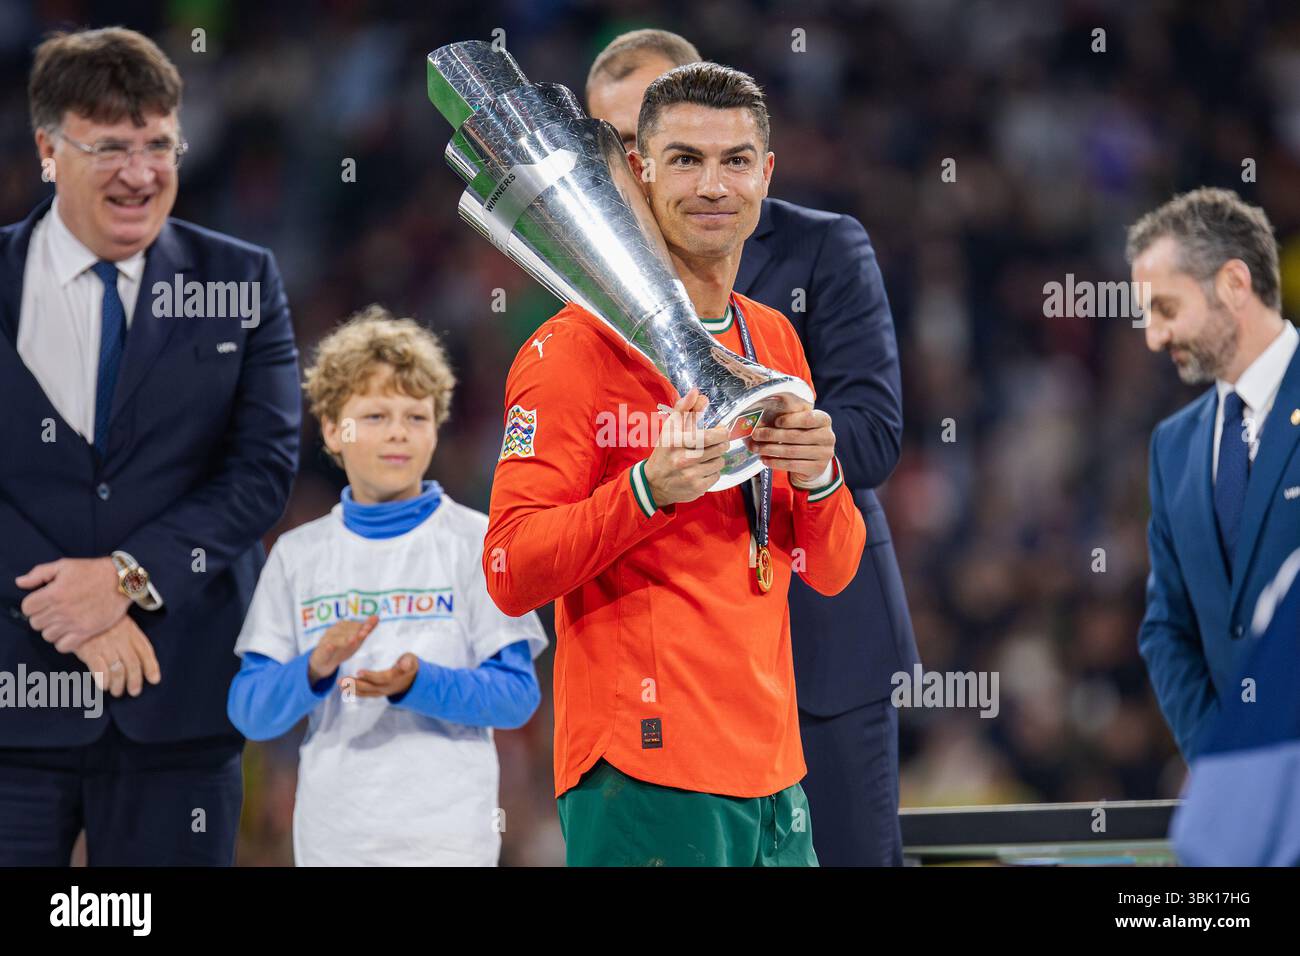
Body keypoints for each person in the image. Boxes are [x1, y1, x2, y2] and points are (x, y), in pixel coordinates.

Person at [485, 61, 865, 866]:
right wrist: (645, 492)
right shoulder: (571, 349)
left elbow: (829, 570)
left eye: (734, 160)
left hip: (773, 769)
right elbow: (509, 567)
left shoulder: (773, 338)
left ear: (766, 174)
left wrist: (822, 479)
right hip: (643, 765)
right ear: (639, 171)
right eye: (685, 159)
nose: (712, 185)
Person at [586, 28, 917, 866]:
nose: (646, 164)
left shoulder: (819, 247)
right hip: (672, 660)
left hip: (818, 639)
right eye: (623, 144)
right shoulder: (582, 287)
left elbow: (872, 436)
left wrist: (784, 437)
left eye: (662, 135)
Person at [0, 27, 300, 865]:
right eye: (110, 148)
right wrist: (69, 607)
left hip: (179, 704)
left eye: (158, 144)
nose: (140, 173)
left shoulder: (241, 280)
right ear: (48, 150)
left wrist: (127, 579)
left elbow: (263, 469)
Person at [228, 306, 547, 865]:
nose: (399, 431)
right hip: (332, 842)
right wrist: (315, 666)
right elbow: (250, 710)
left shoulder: (477, 544)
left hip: (450, 844)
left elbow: (518, 697)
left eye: (416, 416)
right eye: (375, 416)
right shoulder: (298, 556)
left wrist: (416, 683)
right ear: (332, 429)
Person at [1129, 187, 1300, 761]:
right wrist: (1223, 757)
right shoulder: (1173, 446)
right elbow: (1167, 628)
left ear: (1233, 284)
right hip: (1249, 799)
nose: (1154, 337)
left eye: (1166, 309)